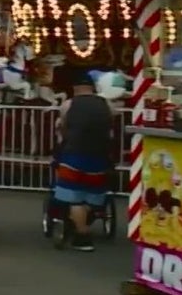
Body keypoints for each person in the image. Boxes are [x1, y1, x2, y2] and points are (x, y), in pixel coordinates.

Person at [53, 72, 115, 252]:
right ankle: (84, 218)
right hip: (99, 156)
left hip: (74, 154)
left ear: (75, 88)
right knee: (93, 194)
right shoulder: (106, 104)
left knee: (74, 197)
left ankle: (82, 234)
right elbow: (110, 124)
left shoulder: (69, 104)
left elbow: (63, 126)